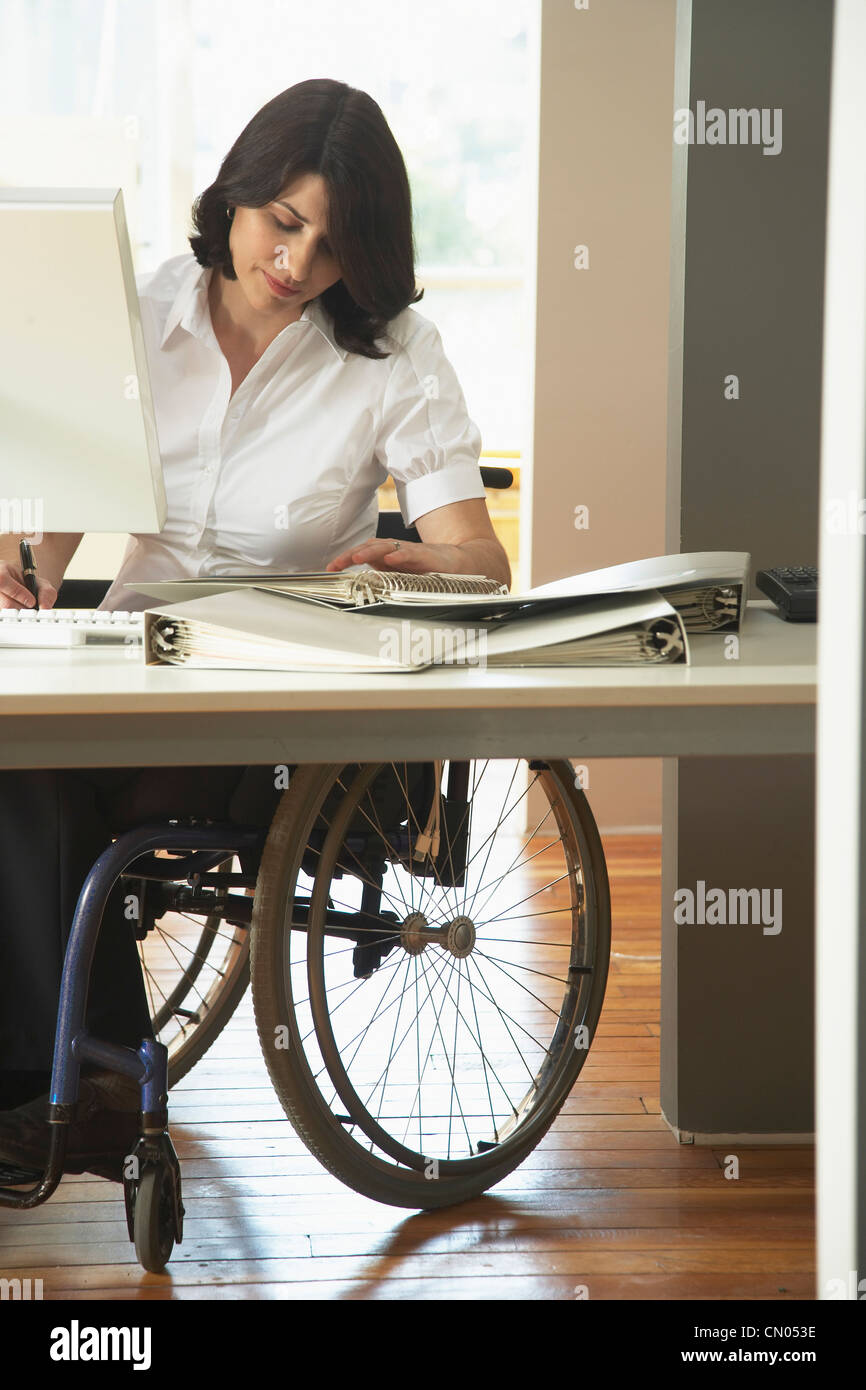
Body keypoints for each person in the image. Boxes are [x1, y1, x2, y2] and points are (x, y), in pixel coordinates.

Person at [0, 77, 510, 1180]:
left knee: (35, 782)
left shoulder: (391, 357)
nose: (297, 264)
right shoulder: (135, 319)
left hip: (270, 692)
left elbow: (483, 563)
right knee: (19, 756)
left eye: (331, 245)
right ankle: (67, 1079)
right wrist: (20, 562)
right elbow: (49, 525)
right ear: (237, 194)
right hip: (128, 662)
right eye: (284, 224)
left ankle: (76, 1087)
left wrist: (424, 559)